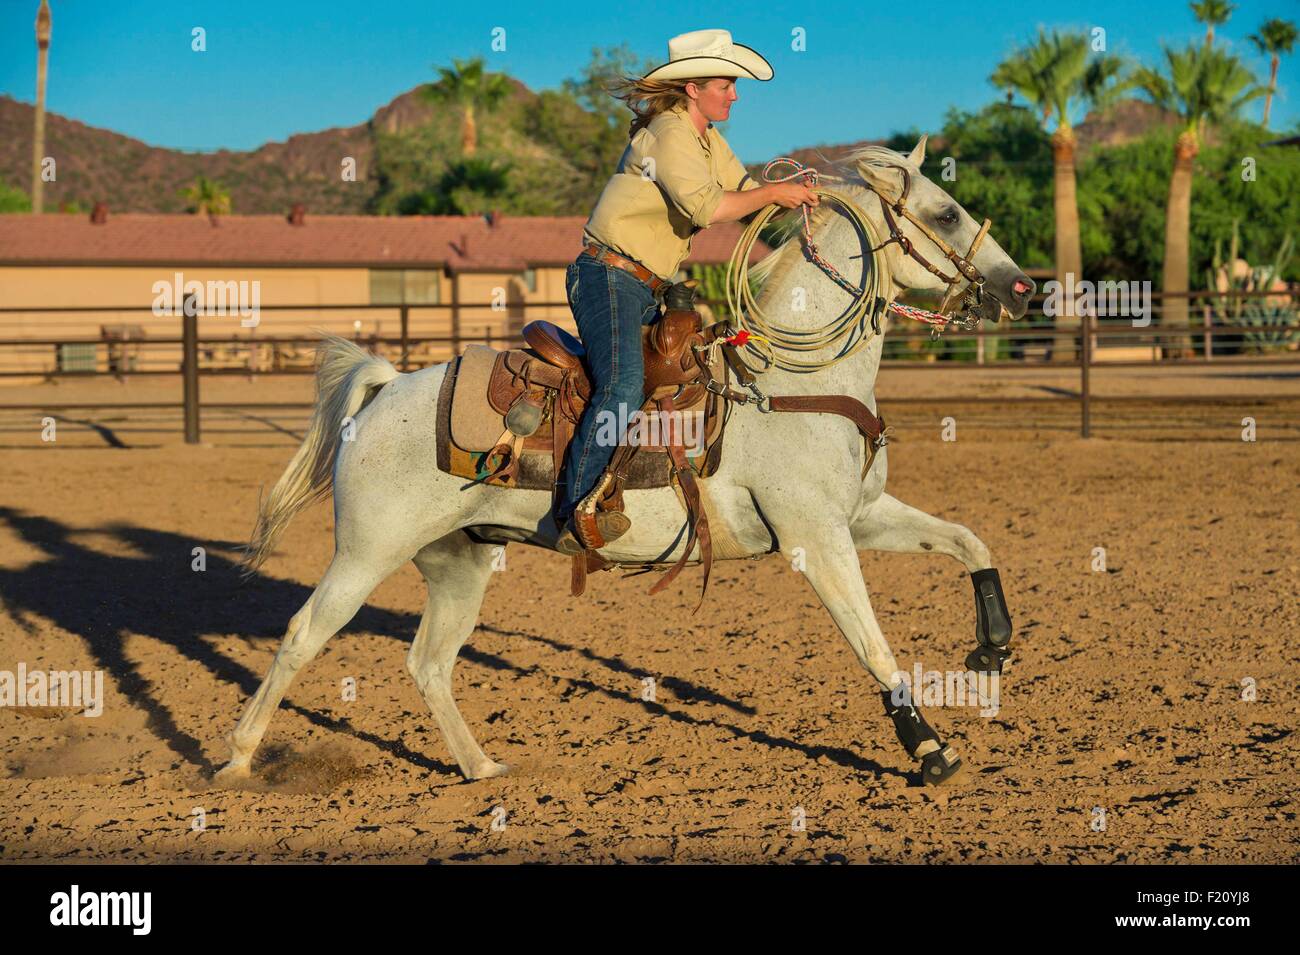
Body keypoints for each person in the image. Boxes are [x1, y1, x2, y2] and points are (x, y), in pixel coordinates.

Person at [555, 28, 819, 554]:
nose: (736, 94)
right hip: (609, 276)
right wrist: (773, 193)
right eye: (727, 83)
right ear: (694, 88)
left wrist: (802, 196)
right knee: (624, 382)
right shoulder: (671, 131)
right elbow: (706, 207)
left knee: (691, 375)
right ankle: (574, 508)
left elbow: (741, 192)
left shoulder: (705, 138)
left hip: (645, 284)